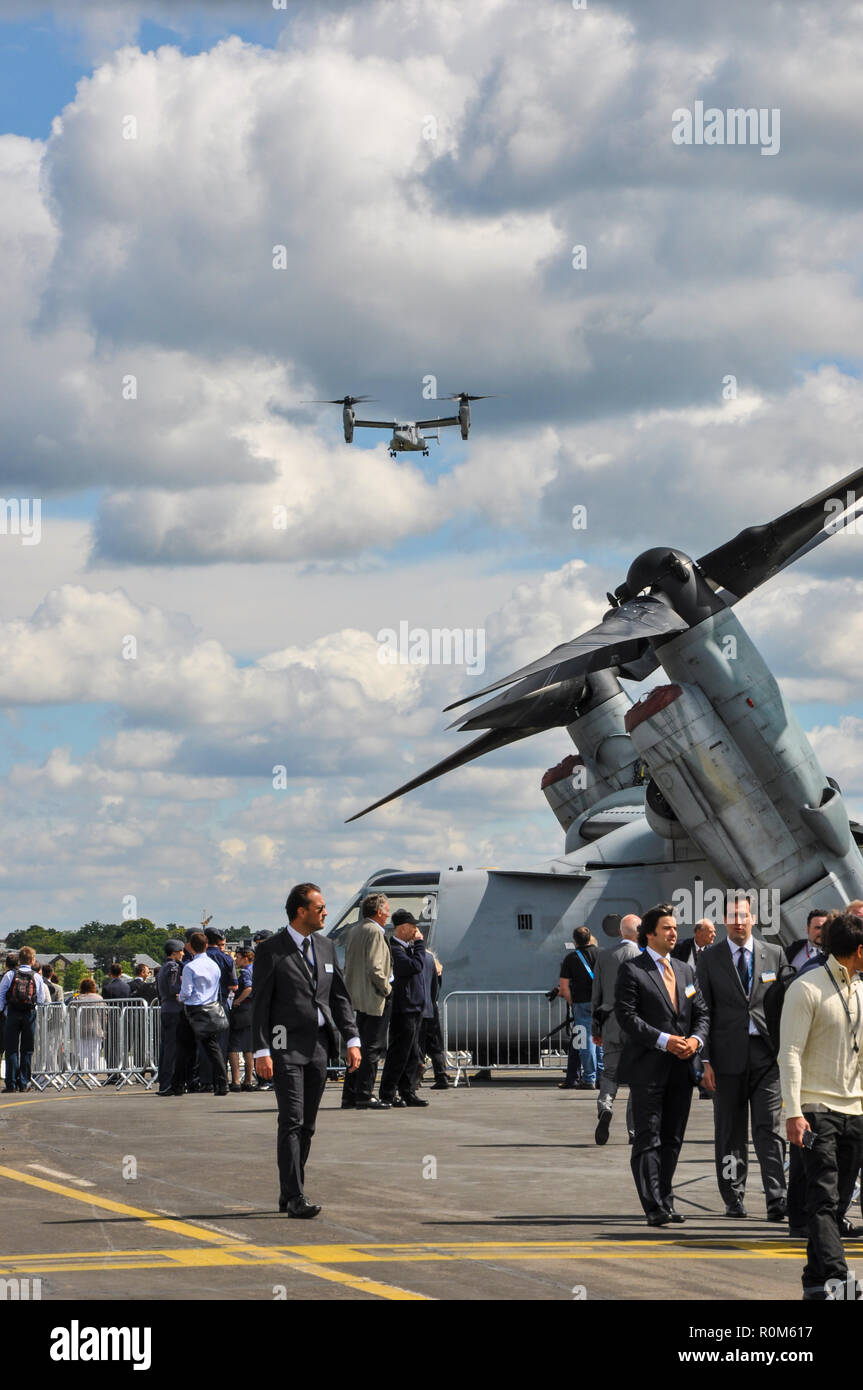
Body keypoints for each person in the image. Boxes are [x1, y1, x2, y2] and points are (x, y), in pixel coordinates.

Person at [252, 883, 360, 1218]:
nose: (325, 912)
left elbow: (339, 997)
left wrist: (352, 1039)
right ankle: (296, 1195)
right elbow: (261, 1004)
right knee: (292, 1120)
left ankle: (288, 1191)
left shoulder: (326, 947)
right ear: (301, 911)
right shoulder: (271, 949)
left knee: (308, 1125)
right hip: (284, 1045)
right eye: (320, 907)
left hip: (318, 1045)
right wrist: (261, 1050)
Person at [779, 910, 863, 1300]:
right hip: (816, 1112)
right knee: (824, 1198)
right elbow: (790, 1054)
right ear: (859, 951)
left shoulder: (861, 990)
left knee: (839, 1199)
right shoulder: (806, 987)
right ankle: (837, 1277)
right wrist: (793, 1111)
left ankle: (814, 1281)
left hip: (855, 1110)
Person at [697, 895, 793, 1220]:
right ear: (724, 920)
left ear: (753, 918)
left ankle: (777, 1199)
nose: (738, 921)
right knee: (729, 1132)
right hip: (725, 1060)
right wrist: (705, 1060)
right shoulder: (710, 958)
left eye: (744, 915)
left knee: (770, 1130)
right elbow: (703, 1011)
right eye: (732, 916)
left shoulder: (775, 954)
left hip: (766, 1057)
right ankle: (733, 1197)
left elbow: (787, 1003)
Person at [615, 903, 708, 1226]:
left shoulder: (685, 970)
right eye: (667, 928)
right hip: (648, 1068)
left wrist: (696, 1041)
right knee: (648, 1137)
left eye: (675, 928)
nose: (674, 933)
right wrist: (665, 1040)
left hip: (682, 1069)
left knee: (672, 1137)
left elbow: (702, 1014)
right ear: (649, 934)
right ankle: (653, 1205)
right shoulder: (633, 970)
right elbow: (627, 1017)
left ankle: (666, 1198)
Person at [592, 914, 641, 1144]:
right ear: (638, 932)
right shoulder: (643, 956)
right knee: (638, 1080)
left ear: (621, 932)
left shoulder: (604, 956)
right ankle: (634, 1131)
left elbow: (597, 994)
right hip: (636, 1025)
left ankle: (605, 1107)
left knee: (610, 1073)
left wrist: (595, 1028)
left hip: (611, 1022)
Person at [341, 893, 393, 1110]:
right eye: (387, 908)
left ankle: (350, 1094)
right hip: (373, 997)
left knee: (359, 1046)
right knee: (373, 1047)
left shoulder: (355, 930)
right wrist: (387, 989)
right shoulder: (375, 932)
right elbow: (375, 967)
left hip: (357, 996)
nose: (389, 912)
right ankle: (365, 1094)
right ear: (379, 911)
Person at [379, 910, 428, 1109]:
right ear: (402, 928)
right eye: (412, 927)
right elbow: (414, 966)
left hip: (415, 1006)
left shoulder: (407, 948)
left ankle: (408, 1091)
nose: (416, 931)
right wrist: (420, 945)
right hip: (404, 1008)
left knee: (412, 1054)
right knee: (399, 1053)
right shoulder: (395, 949)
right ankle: (388, 1092)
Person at [170, 931, 229, 1097]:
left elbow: (187, 991)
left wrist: (180, 997)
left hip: (192, 1010)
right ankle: (222, 1084)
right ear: (206, 945)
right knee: (213, 1048)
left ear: (190, 946)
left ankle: (178, 1085)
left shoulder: (190, 967)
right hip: (210, 1008)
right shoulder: (214, 965)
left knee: (183, 1049)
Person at [0, 946, 49, 1092]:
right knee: (27, 1049)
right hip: (29, 1014)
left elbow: (1, 993)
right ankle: (24, 1082)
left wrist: (3, 1011)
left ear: (19, 959)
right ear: (32, 960)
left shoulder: (10, 975)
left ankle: (11, 1083)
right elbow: (40, 999)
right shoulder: (37, 977)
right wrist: (35, 1012)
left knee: (11, 1049)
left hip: (13, 1013)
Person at [558, 927, 601, 1090]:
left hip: (581, 1003)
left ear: (575, 940)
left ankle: (589, 1078)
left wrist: (571, 1002)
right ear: (590, 938)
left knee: (586, 1041)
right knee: (600, 1040)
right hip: (600, 1003)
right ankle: (601, 1077)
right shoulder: (602, 954)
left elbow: (564, 987)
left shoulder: (571, 958)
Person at [414, 949, 450, 1090]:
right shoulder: (433, 965)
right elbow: (436, 989)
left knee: (418, 1045)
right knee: (435, 1046)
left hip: (419, 1009)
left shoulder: (416, 960)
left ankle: (416, 1077)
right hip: (432, 1008)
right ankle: (441, 1076)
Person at [155, 940, 184, 1097]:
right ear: (174, 952)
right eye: (181, 951)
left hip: (166, 1007)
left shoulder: (162, 968)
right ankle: (168, 1084)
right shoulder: (173, 967)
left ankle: (165, 1082)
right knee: (172, 1048)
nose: (183, 954)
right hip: (174, 1008)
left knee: (166, 1047)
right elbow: (174, 987)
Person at [228, 947, 255, 1092]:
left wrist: (237, 1000)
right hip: (251, 1011)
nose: (236, 960)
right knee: (248, 1048)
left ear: (246, 958)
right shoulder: (255, 969)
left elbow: (248, 988)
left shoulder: (245, 972)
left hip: (242, 1010)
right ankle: (248, 1080)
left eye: (237, 957)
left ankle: (236, 1080)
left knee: (233, 1046)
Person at [68, 979, 104, 1081]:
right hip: (95, 1029)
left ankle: (79, 1077)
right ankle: (93, 1078)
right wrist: (104, 1030)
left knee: (80, 1054)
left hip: (80, 1029)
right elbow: (103, 1015)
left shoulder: (77, 998)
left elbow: (72, 1015)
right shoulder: (98, 998)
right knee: (94, 1054)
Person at [784, 909, 829, 974]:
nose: (822, 932)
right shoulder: (793, 950)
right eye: (817, 928)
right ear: (808, 929)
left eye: (825, 927)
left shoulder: (836, 950)